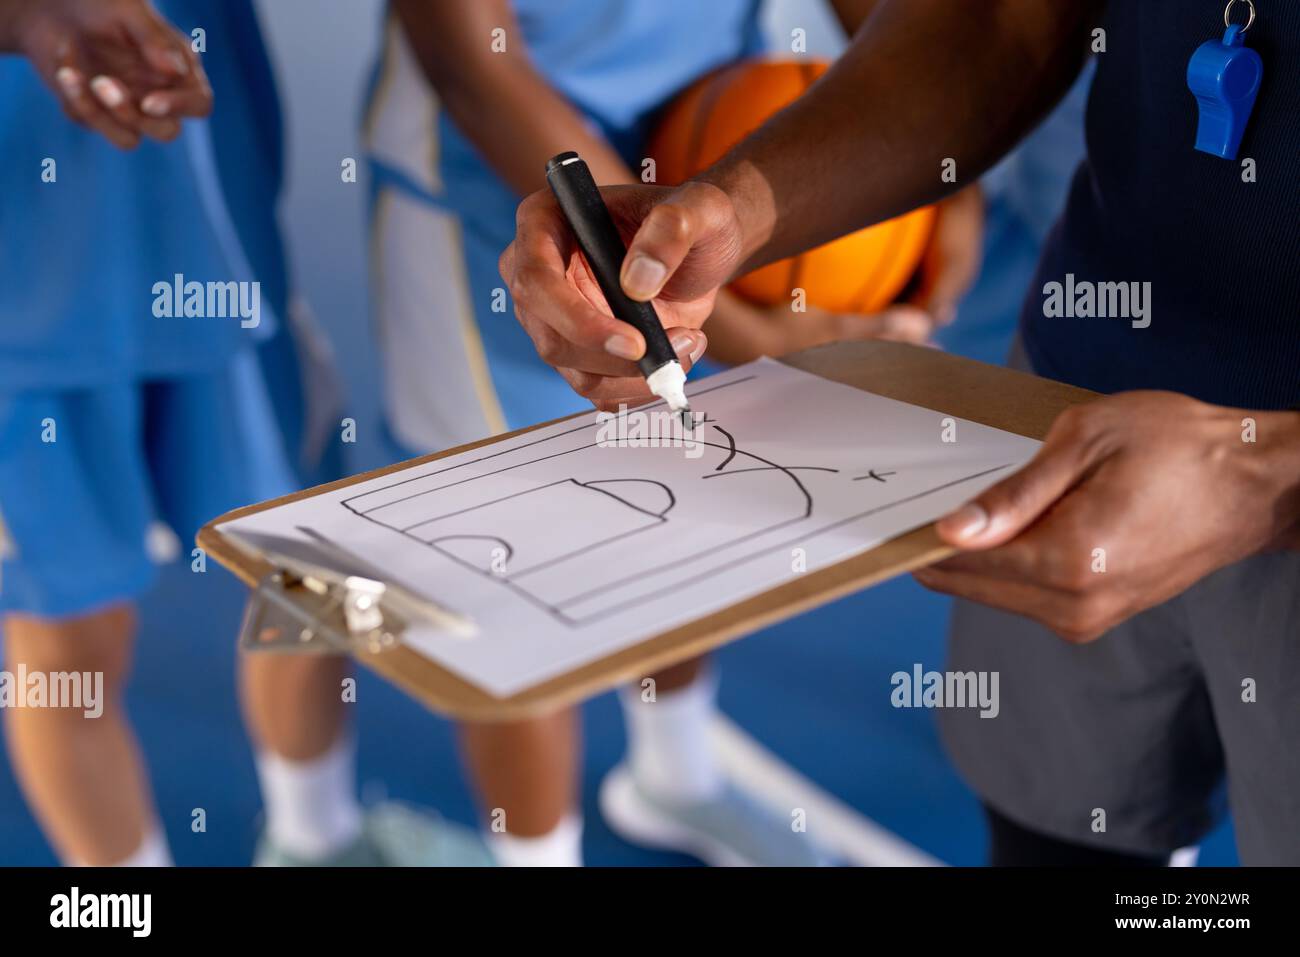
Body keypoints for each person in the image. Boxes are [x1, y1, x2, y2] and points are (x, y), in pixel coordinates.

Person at [502, 0, 1300, 865]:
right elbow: (1001, 23)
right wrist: (737, 212)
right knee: (1057, 841)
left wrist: (1265, 475)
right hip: (1068, 393)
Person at [362, 0, 953, 865]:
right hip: (489, 197)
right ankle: (534, 856)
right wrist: (750, 335)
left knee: (673, 505)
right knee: (505, 576)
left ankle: (674, 776)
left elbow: (898, 27)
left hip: (704, 171)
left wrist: (935, 154)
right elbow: (476, 65)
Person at [0, 0, 485, 867]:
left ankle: (317, 841)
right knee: (66, 639)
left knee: (311, 564)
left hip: (219, 240)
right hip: (19, 309)